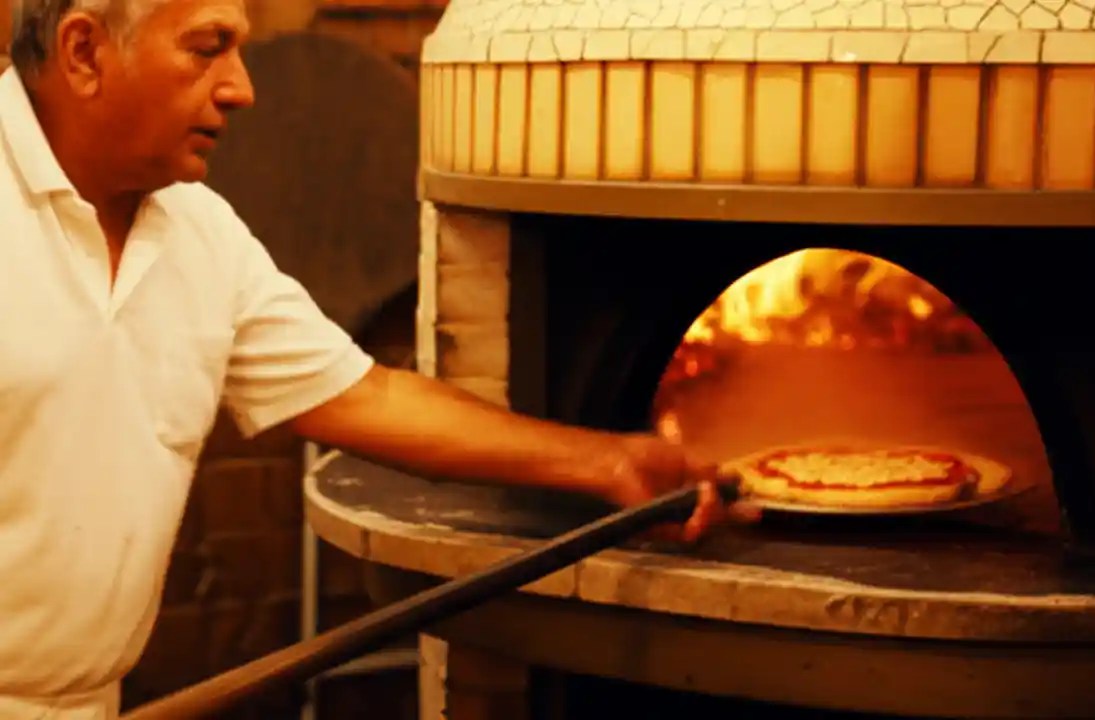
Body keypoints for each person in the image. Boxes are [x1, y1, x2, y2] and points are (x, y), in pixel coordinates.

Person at [0, 0, 758, 716]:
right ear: (85, 51)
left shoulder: (198, 232)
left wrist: (610, 462)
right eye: (208, 49)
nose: (242, 88)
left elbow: (367, 397)